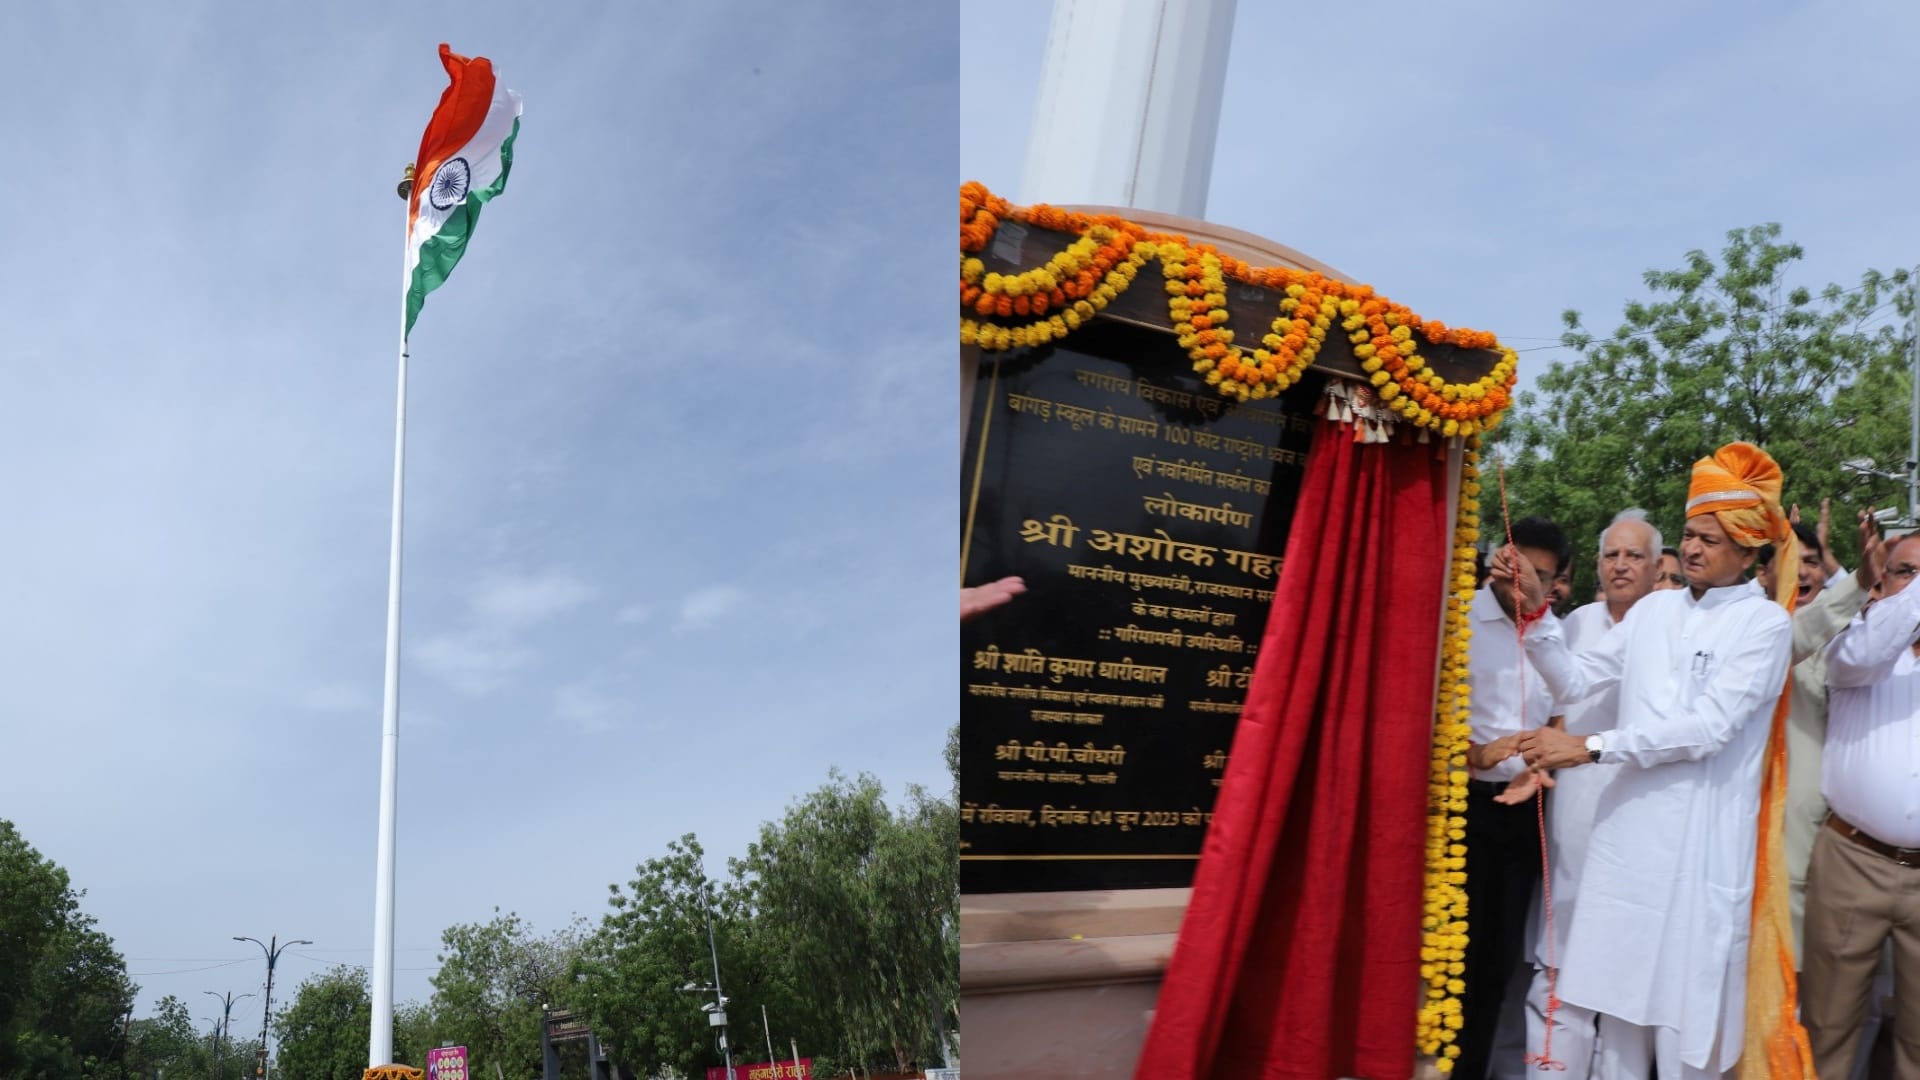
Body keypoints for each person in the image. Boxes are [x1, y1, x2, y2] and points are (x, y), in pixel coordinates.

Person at [1491, 441, 1805, 1079]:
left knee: (1685, 1034)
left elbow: (1708, 728)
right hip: (1625, 853)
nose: (1690, 548)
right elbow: (1577, 683)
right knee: (1617, 1026)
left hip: (1697, 859)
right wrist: (1535, 613)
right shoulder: (1656, 610)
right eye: (1688, 534)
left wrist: (1590, 747)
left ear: (1747, 551)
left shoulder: (1764, 626)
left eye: (1708, 539)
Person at [1510, 508, 1663, 1079]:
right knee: (1558, 967)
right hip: (1573, 809)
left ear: (1655, 568)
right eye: (1611, 555)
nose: (1621, 565)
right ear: (1597, 566)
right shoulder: (1574, 625)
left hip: (1638, 814)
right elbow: (1558, 696)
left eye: (1634, 556)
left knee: (1624, 977)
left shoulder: (1669, 625)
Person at [1802, 529, 1920, 1078]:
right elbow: (1870, 651)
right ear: (1879, 580)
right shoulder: (1855, 642)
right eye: (1906, 572)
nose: (1915, 585)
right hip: (1854, 862)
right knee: (1828, 1030)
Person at [1457, 516, 1567, 1080]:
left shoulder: (1554, 632)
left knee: (1496, 964)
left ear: (1555, 584)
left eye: (1537, 576)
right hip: (1458, 811)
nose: (1519, 582)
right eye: (1514, 565)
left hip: (1524, 809)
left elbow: (1567, 705)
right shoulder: (1458, 619)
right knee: (1451, 957)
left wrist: (1537, 767)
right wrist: (1479, 755)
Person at [1754, 516, 1881, 962]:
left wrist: (1860, 582)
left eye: (1811, 562)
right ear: (1761, 573)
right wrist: (1860, 580)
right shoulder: (1748, 630)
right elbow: (1796, 634)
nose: (1803, 572)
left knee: (1801, 966)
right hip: (1742, 826)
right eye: (1791, 561)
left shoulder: (1845, 640)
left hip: (1810, 835)